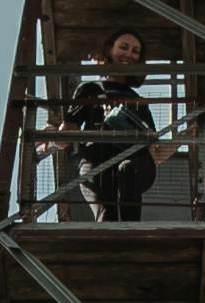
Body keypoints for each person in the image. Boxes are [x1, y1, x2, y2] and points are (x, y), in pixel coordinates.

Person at [64, 30, 160, 223]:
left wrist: (187, 133)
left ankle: (130, 233)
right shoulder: (90, 90)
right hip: (96, 158)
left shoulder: (138, 101)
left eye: (135, 51)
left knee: (128, 170)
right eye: (123, 47)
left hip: (133, 160)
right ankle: (111, 240)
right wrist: (52, 138)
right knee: (105, 211)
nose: (129, 54)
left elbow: (153, 148)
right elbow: (69, 128)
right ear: (109, 50)